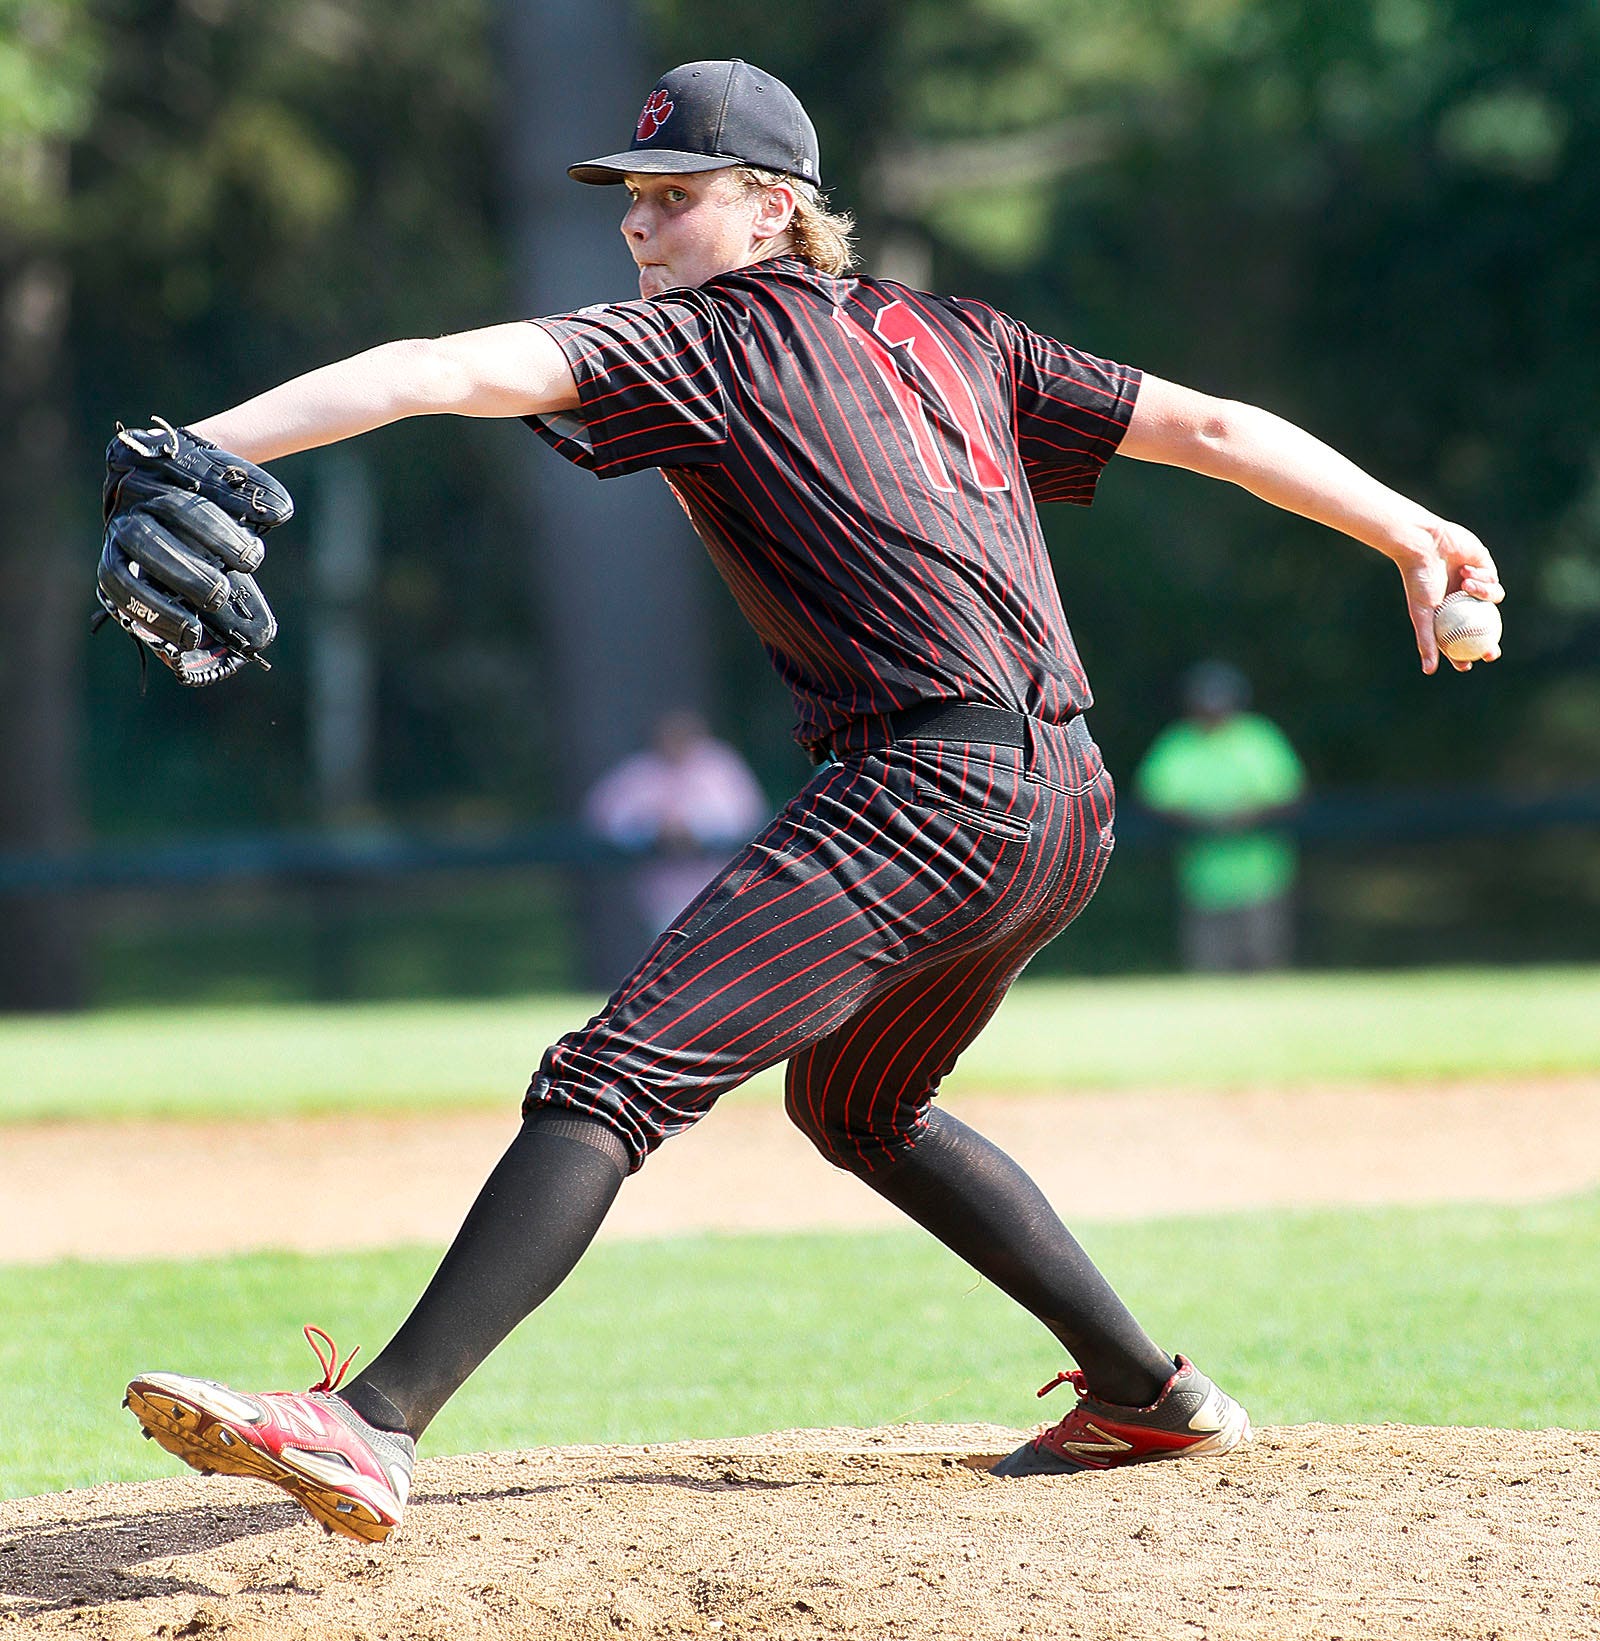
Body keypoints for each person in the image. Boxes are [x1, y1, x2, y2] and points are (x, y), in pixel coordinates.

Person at [123, 58, 1503, 1542]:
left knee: (616, 1072)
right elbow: (1216, 433)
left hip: (931, 786)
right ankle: (1145, 1391)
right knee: (861, 1102)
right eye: (632, 198)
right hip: (1064, 800)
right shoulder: (958, 332)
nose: (642, 226)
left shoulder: (703, 345)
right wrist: (1409, 526)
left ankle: (371, 1423)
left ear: (777, 205)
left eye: (676, 195)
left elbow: (437, 367)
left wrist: (202, 443)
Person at [1135, 662, 1307, 971]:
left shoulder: (1258, 738)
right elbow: (1154, 802)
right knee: (1209, 972)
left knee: (1265, 966)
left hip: (1261, 877)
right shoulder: (1180, 742)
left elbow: (1290, 798)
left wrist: (1245, 819)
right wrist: (1202, 822)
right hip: (1202, 880)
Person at [585, 709, 769, 944]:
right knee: (675, 954)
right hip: (662, 892)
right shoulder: (641, 771)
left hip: (724, 885)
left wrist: (695, 828)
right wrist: (651, 828)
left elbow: (745, 815)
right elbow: (604, 818)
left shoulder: (719, 766)